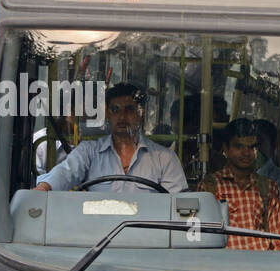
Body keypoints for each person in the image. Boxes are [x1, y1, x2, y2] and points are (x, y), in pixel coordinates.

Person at [35, 82, 188, 194]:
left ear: (141, 113)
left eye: (129, 110)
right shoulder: (89, 152)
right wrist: (43, 188)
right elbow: (64, 172)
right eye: (115, 110)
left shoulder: (165, 159)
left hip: (148, 235)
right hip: (96, 234)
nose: (122, 117)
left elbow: (177, 204)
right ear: (108, 114)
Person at [198, 119, 280, 249]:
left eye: (252, 147)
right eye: (238, 146)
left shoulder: (269, 188)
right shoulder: (209, 187)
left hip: (262, 265)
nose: (246, 153)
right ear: (225, 149)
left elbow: (279, 243)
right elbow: (203, 241)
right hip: (223, 266)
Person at [253, 119, 280, 232]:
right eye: (251, 143)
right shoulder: (233, 177)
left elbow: (274, 229)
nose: (255, 149)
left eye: (260, 142)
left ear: (272, 146)